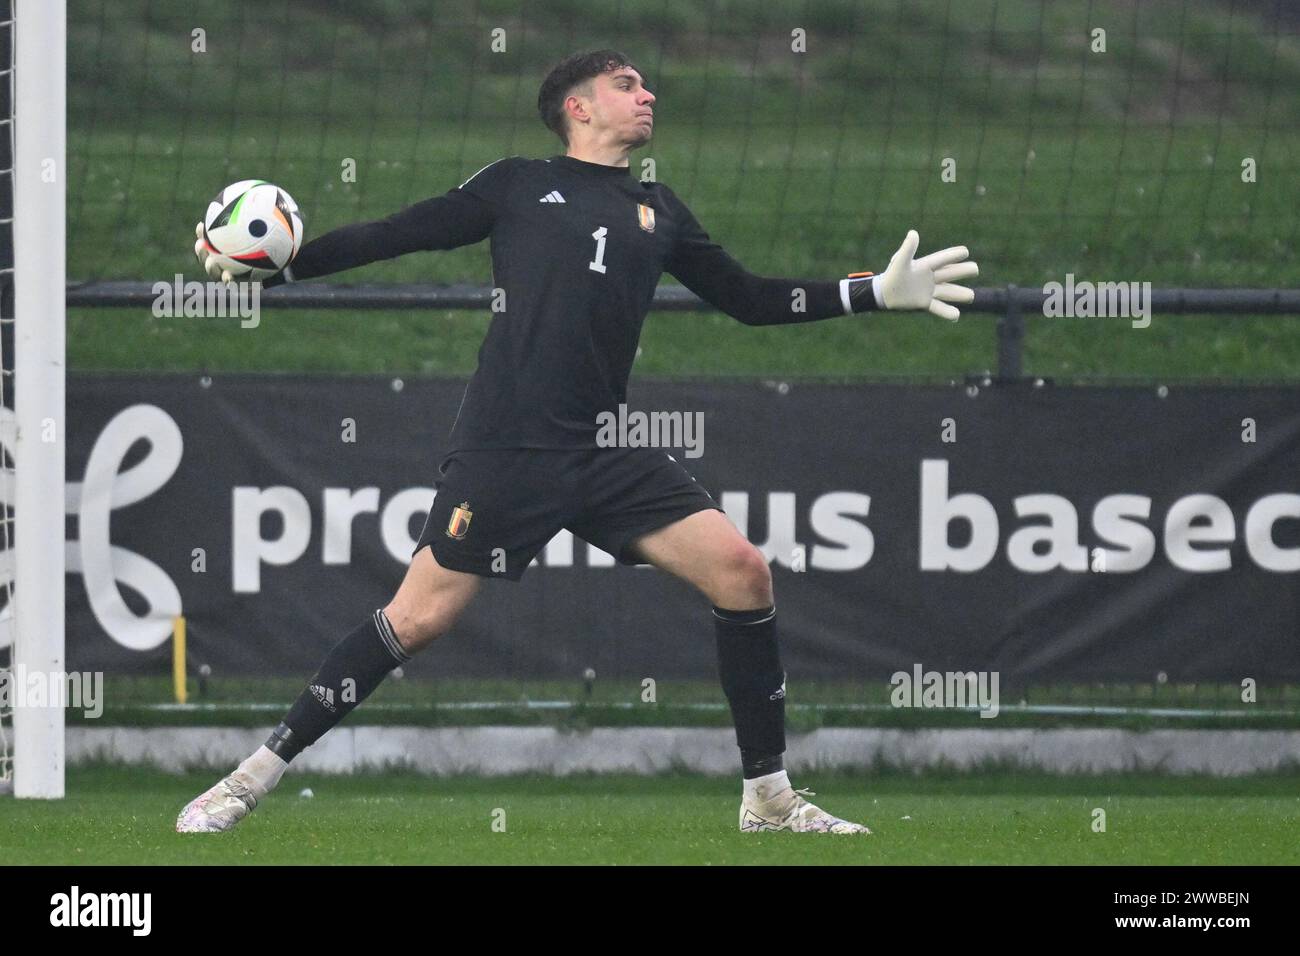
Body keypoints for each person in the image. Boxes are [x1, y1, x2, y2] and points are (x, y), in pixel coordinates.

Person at [178, 49, 978, 836]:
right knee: (416, 621)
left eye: (645, 84)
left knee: (743, 573)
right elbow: (396, 233)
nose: (648, 94)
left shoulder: (660, 211)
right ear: (578, 107)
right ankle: (249, 780)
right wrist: (277, 271)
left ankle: (768, 798)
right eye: (626, 84)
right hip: (506, 449)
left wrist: (872, 291)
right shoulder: (517, 184)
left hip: (603, 450)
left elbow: (751, 299)